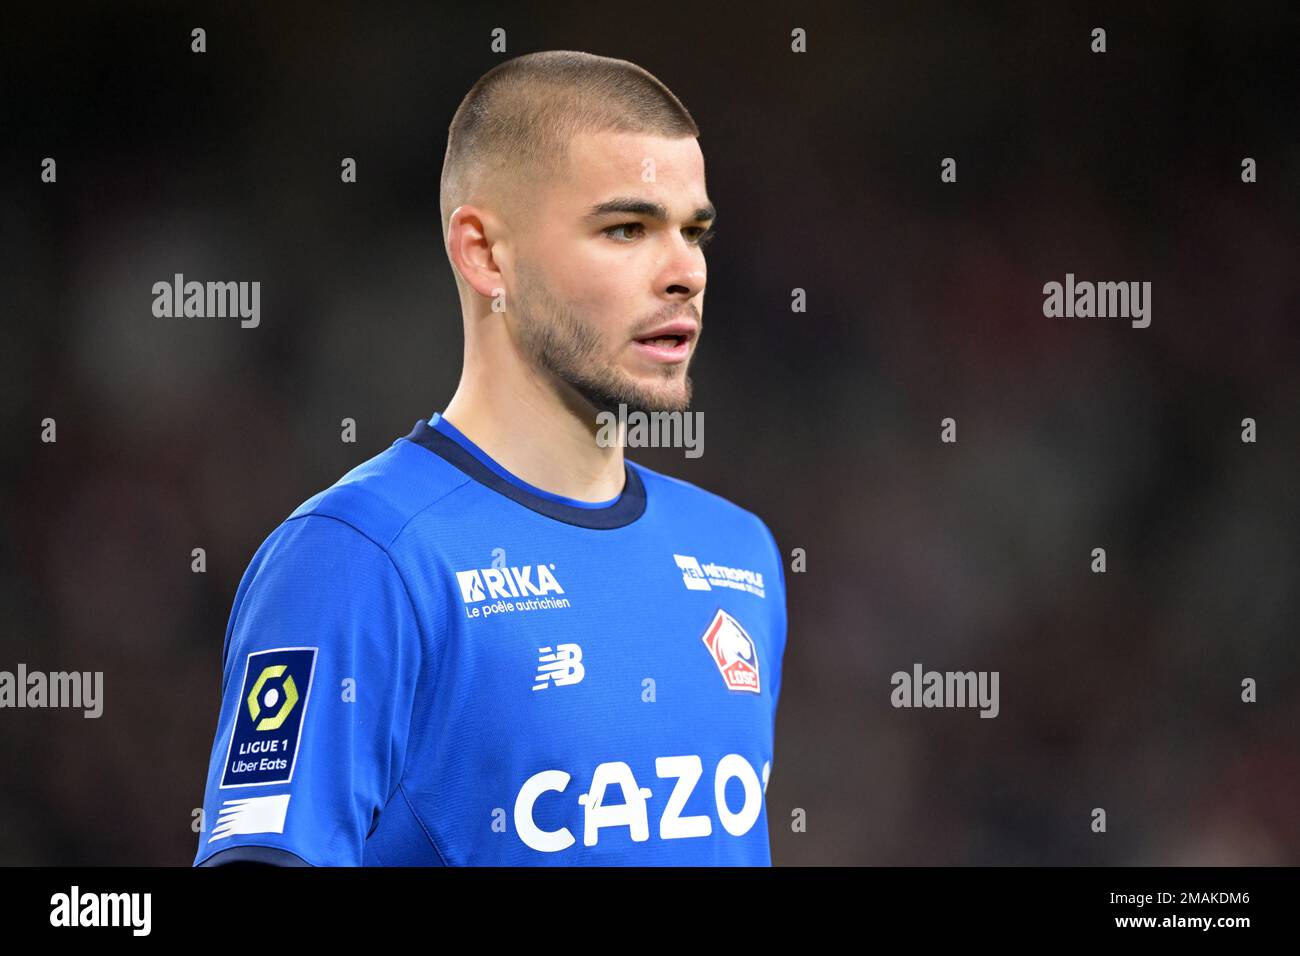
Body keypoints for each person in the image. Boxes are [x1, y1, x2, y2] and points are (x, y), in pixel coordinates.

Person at [193, 50, 787, 865]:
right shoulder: (356, 560)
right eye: (627, 228)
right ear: (485, 254)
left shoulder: (738, 554)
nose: (685, 271)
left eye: (694, 232)